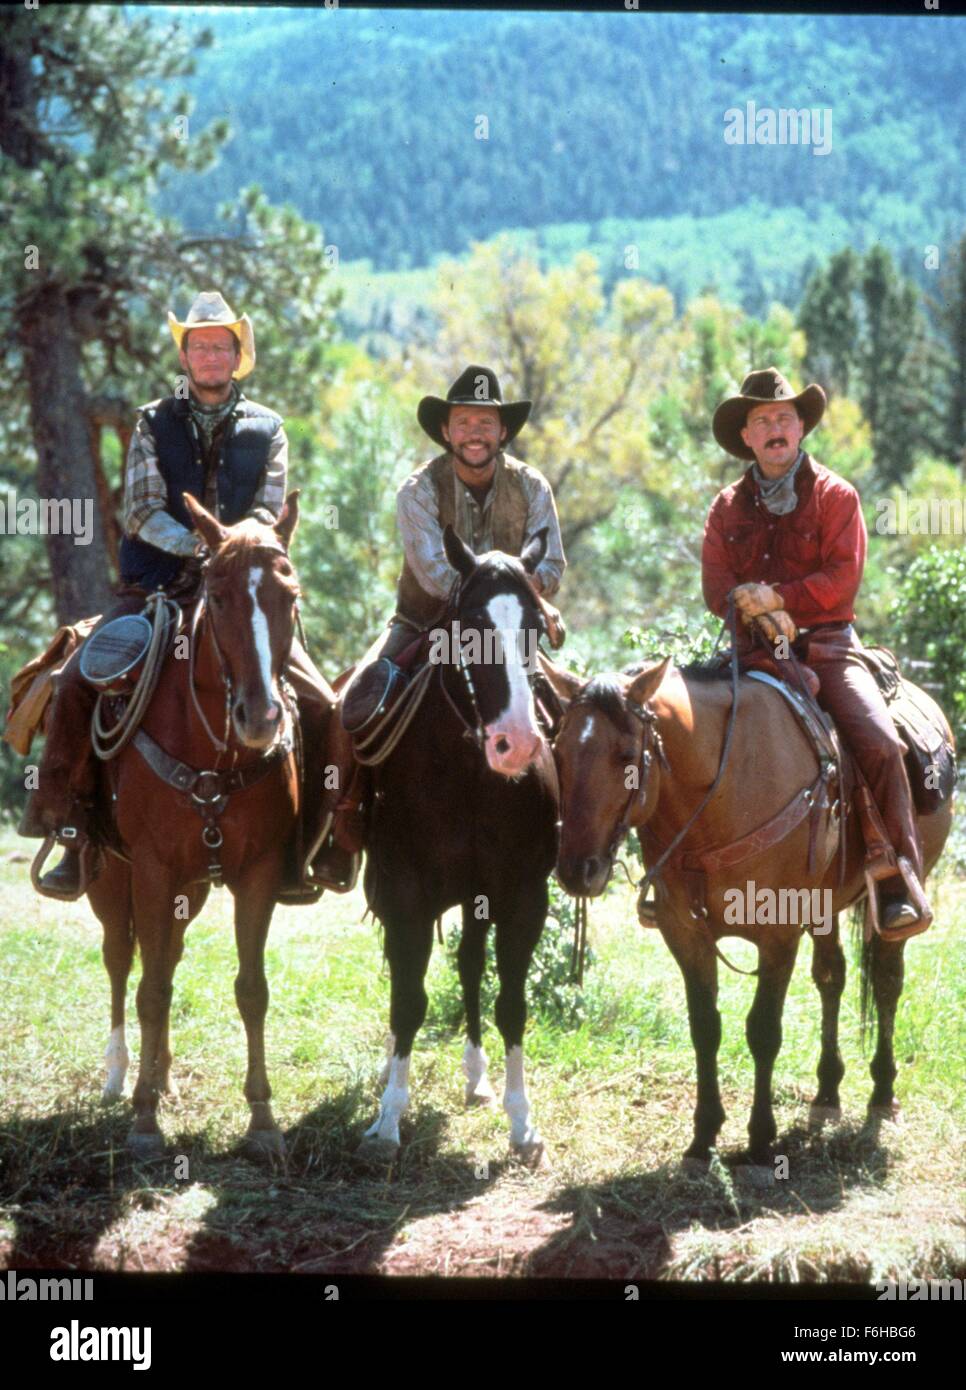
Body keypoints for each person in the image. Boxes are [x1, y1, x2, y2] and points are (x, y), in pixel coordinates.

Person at [19, 291, 355, 897]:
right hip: (156, 586)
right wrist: (207, 551)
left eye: (220, 345)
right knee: (76, 680)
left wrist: (235, 552)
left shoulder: (269, 429)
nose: (209, 355)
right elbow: (144, 511)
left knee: (324, 705)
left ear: (236, 355)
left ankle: (311, 846)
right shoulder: (153, 422)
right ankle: (68, 825)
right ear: (185, 355)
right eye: (198, 345)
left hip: (246, 590)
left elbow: (269, 508)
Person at [701, 366, 929, 937]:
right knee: (679, 728)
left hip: (826, 647)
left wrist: (781, 596)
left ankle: (897, 876)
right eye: (762, 422)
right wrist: (750, 606)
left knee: (879, 742)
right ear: (747, 438)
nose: (775, 429)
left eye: (784, 418)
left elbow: (842, 579)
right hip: (752, 655)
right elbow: (715, 589)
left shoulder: (836, 496)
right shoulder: (726, 507)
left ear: (801, 427)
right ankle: (672, 876)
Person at [323, 364, 566, 852]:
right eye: (463, 423)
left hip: (507, 632)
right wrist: (513, 591)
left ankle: (569, 830)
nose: (474, 434)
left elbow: (553, 564)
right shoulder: (418, 490)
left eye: (485, 424)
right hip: (423, 623)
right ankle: (342, 818)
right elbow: (435, 573)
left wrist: (529, 598)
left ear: (502, 432)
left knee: (575, 714)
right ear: (445, 431)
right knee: (352, 702)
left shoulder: (533, 486)